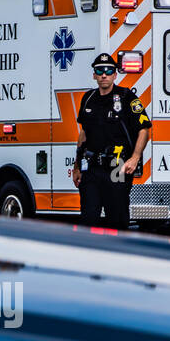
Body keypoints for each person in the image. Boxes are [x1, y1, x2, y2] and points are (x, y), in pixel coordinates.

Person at [72, 53, 151, 229]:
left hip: (118, 166)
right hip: (92, 168)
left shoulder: (126, 97)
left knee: (117, 220)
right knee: (88, 219)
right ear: (94, 74)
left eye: (109, 70)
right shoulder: (88, 98)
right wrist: (77, 166)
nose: (104, 75)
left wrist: (135, 157)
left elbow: (144, 130)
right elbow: (83, 134)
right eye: (100, 70)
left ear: (115, 74)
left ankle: (119, 254)